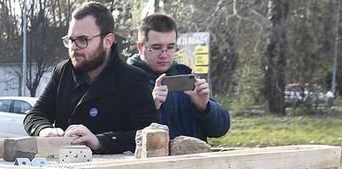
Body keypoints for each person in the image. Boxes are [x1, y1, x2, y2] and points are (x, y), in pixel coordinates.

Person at [23, 1, 156, 154]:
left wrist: (100, 141)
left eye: (83, 40)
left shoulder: (134, 79)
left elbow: (149, 135)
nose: (74, 47)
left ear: (107, 41)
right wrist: (44, 129)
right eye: (71, 40)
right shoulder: (63, 72)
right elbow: (35, 115)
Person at [127, 13, 230, 141]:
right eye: (157, 48)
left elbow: (221, 129)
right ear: (140, 47)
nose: (164, 55)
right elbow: (119, 134)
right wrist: (150, 109)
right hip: (150, 160)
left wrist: (205, 107)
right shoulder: (125, 80)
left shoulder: (186, 76)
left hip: (193, 158)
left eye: (170, 47)